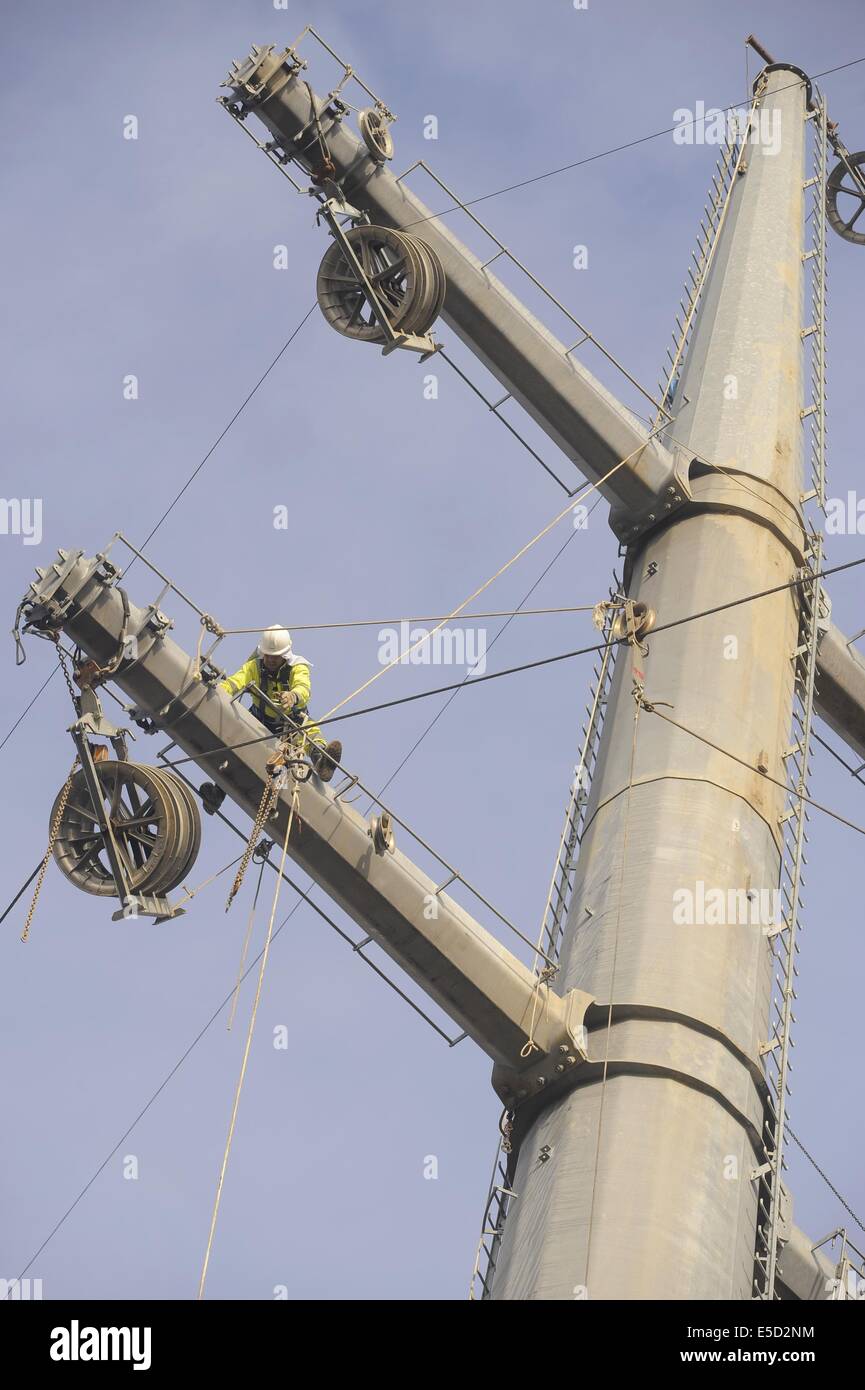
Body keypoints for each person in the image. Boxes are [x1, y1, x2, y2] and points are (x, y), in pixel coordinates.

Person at [199, 625, 343, 814]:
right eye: (267, 655)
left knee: (308, 733)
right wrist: (216, 691)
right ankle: (217, 794)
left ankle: (322, 762)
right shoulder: (254, 666)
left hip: (290, 725)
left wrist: (293, 696)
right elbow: (236, 682)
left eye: (275, 657)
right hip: (259, 720)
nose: (270, 660)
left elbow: (303, 688)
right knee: (237, 747)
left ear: (285, 655)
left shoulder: (297, 667)